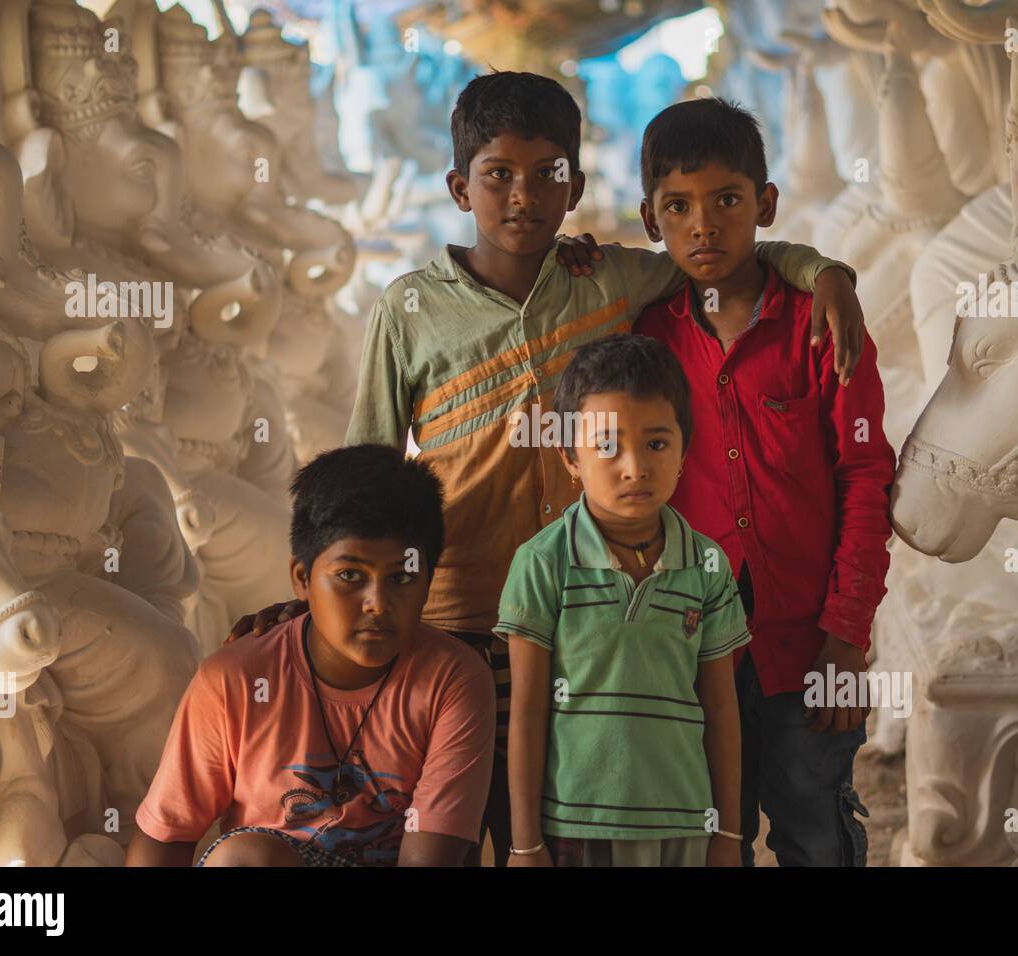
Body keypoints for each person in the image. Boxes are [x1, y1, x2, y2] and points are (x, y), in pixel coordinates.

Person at [228, 70, 867, 865]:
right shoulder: (410, 309)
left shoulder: (608, 277)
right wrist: (311, 597)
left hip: (587, 616)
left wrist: (824, 272)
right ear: (461, 187)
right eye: (498, 175)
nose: (523, 196)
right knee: (465, 818)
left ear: (577, 187)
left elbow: (723, 251)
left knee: (572, 816)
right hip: (460, 620)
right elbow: (368, 471)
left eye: (547, 176)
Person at [633, 97, 897, 866]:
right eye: (677, 207)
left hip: (811, 644)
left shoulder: (823, 326)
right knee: (713, 837)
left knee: (819, 830)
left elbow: (864, 476)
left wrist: (847, 636)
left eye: (727, 200)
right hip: (688, 655)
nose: (704, 226)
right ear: (652, 223)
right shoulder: (645, 337)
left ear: (766, 204)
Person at [126, 445, 494, 867]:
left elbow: (429, 861)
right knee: (244, 858)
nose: (377, 603)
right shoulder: (235, 680)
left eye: (401, 578)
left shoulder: (454, 681)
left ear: (429, 580)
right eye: (350, 576)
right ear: (302, 579)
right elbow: (165, 836)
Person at [497, 334, 749, 867]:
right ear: (569, 456)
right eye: (606, 446)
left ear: (685, 450)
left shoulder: (707, 565)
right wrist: (524, 844)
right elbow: (527, 710)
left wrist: (728, 834)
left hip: (684, 821)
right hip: (577, 827)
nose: (634, 467)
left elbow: (722, 707)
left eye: (656, 443)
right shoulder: (543, 563)